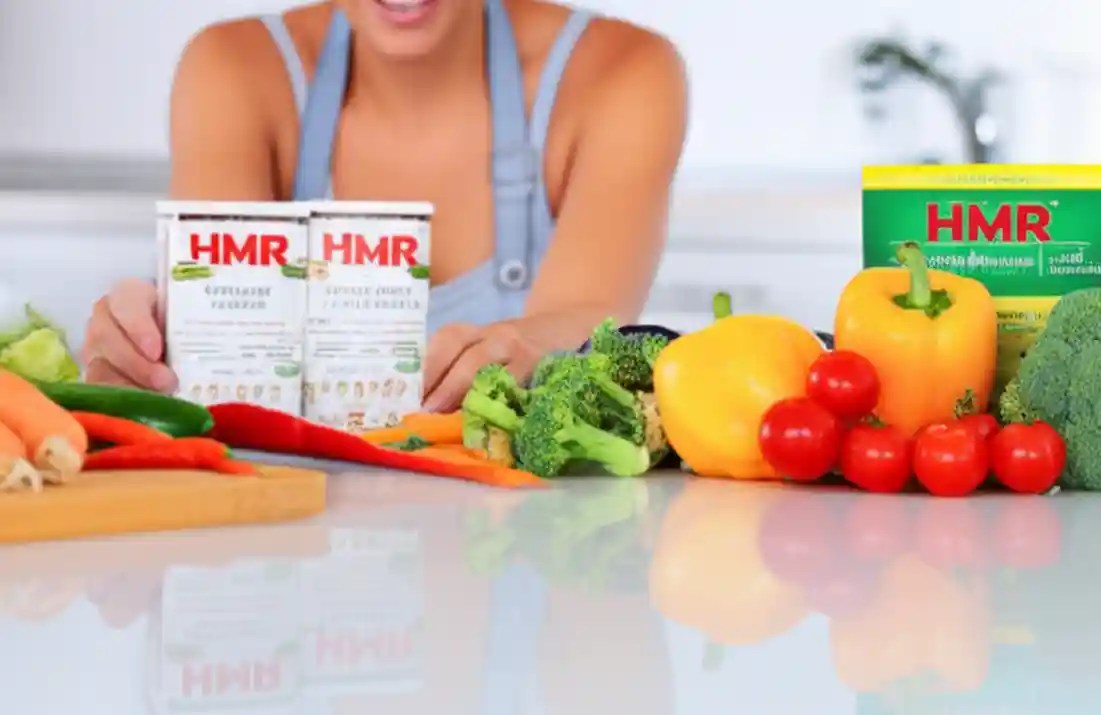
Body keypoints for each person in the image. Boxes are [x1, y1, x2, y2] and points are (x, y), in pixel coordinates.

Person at [81, 0, 688, 411]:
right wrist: (156, 341)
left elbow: (590, 318)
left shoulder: (621, 74)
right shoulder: (235, 69)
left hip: (513, 541)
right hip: (293, 547)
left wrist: (538, 345)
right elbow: (221, 359)